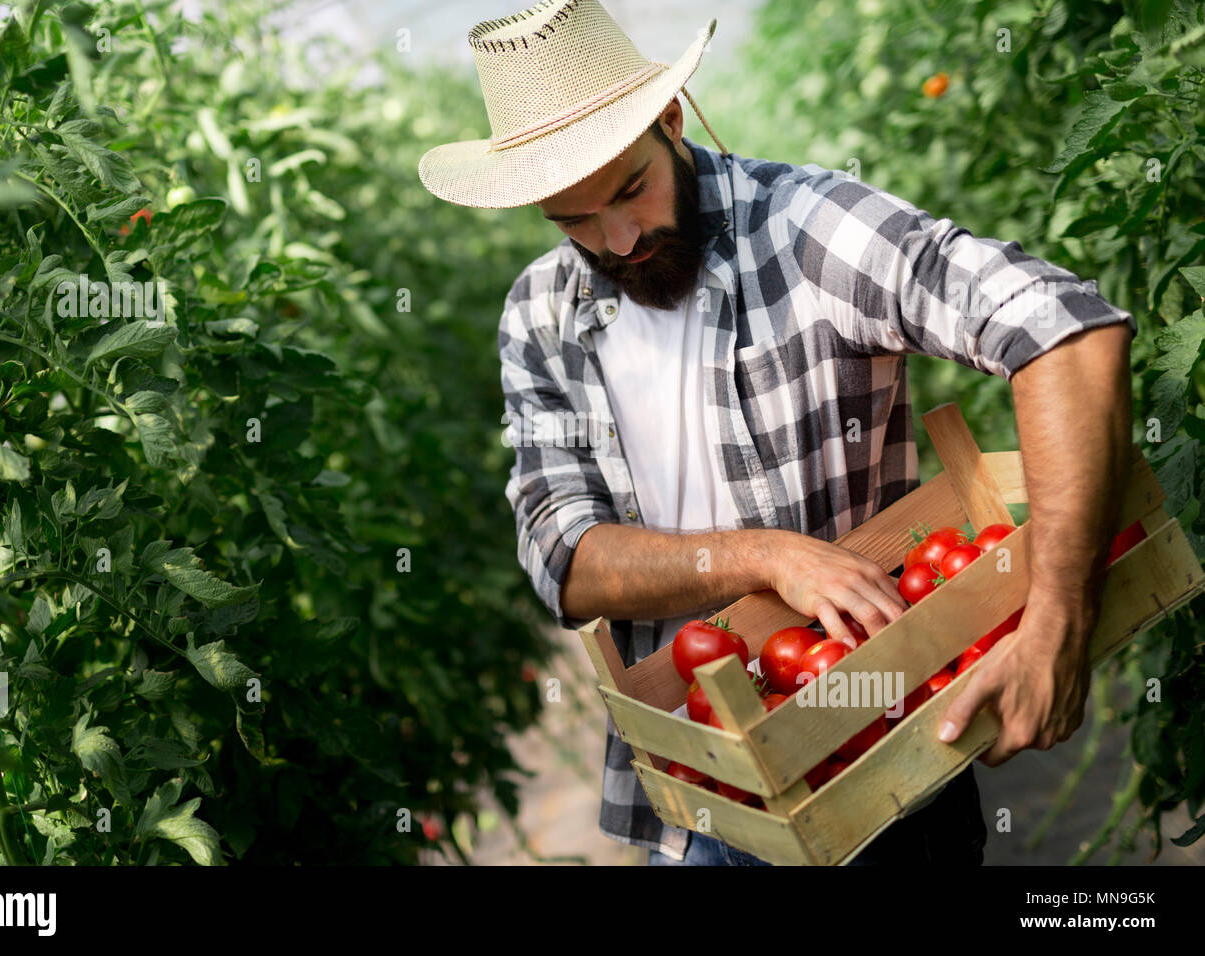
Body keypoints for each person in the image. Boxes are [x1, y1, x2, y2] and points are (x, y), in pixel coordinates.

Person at [418, 0, 1136, 865]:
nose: (617, 239)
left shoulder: (803, 228)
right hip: (697, 808)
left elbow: (1065, 325)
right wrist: (765, 556)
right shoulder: (540, 312)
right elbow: (562, 557)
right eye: (572, 221)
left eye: (630, 190)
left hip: (881, 765)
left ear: (671, 120)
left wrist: (1058, 619)